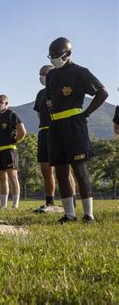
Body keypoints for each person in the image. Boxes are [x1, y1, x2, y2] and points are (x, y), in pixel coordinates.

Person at [45, 37, 108, 223]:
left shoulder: (80, 72)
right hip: (55, 127)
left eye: (58, 55)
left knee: (79, 171)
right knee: (61, 173)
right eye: (52, 55)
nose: (54, 58)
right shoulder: (51, 75)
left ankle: (89, 214)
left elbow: (102, 93)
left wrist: (85, 114)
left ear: (68, 53)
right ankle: (69, 215)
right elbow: (50, 99)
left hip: (75, 125)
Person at [33, 65, 77, 212]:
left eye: (43, 74)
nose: (40, 77)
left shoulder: (60, 89)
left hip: (59, 130)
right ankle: (49, 202)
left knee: (65, 168)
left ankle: (73, 201)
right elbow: (39, 113)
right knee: (46, 169)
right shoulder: (40, 94)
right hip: (44, 132)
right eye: (39, 74)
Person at [0, 95, 26, 209]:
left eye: (1, 102)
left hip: (10, 150)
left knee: (13, 177)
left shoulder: (12, 115)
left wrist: (15, 141)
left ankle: (15, 205)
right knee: (2, 179)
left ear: (7, 103)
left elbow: (22, 131)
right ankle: (3, 205)